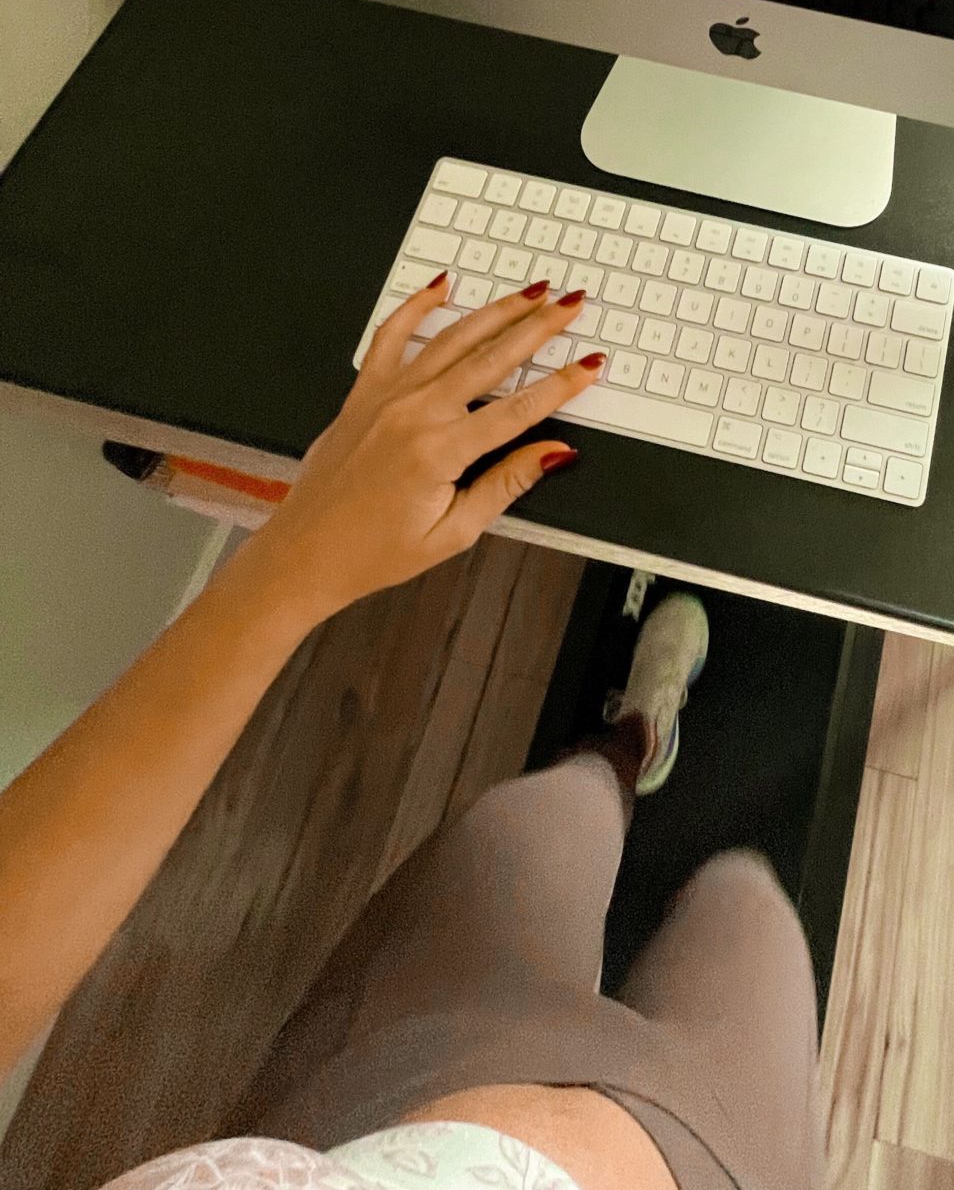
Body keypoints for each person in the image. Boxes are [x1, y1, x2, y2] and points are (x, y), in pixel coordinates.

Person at [0, 276, 828, 1190]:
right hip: (676, 1162)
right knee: (749, 904)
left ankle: (631, 736)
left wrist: (294, 561)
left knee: (550, 811)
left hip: (371, 1104)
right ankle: (634, 747)